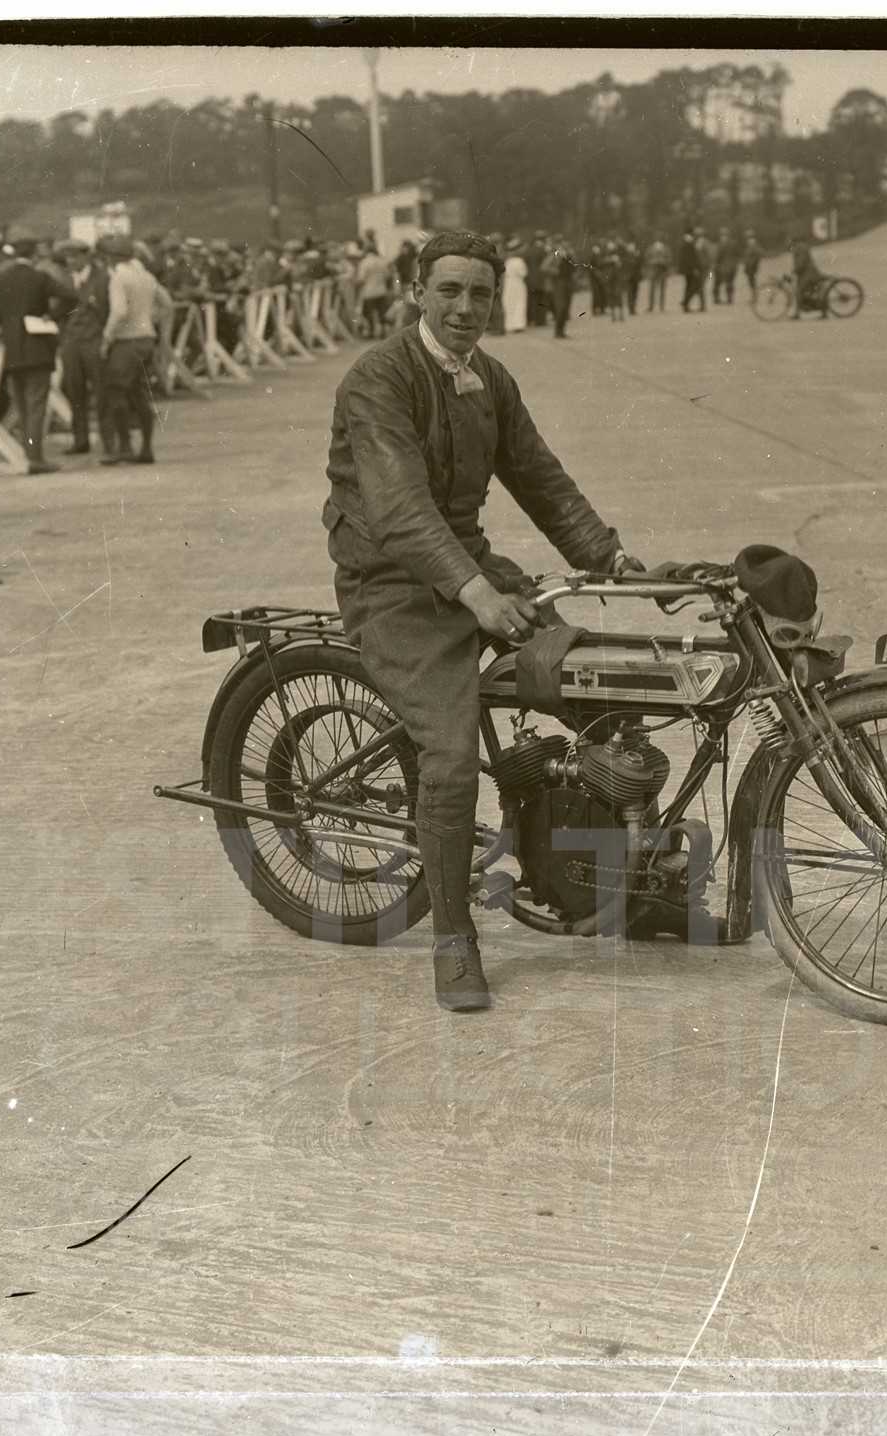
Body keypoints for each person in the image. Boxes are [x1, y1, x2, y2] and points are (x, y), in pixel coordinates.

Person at [319, 229, 644, 1012]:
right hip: (391, 581)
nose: (466, 308)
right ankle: (453, 937)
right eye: (450, 291)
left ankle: (606, 870)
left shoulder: (487, 378)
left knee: (590, 678)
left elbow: (537, 473)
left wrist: (609, 555)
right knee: (452, 756)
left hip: (466, 567)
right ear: (417, 294)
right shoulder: (379, 379)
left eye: (481, 293)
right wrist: (476, 592)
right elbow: (396, 510)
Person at [0, 229, 75, 475]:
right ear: (34, 253)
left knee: (23, 404)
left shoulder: (2, 278)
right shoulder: (39, 277)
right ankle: (35, 457)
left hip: (12, 349)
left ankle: (29, 454)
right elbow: (71, 297)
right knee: (37, 403)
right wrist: (52, 316)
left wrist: (4, 320)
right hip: (38, 345)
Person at [97, 234, 171, 465]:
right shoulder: (146, 276)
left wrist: (107, 337)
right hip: (146, 338)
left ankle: (125, 445)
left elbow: (119, 311)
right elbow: (167, 303)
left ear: (110, 257)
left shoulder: (119, 276)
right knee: (140, 393)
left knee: (115, 391)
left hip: (126, 341)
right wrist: (149, 318)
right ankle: (147, 448)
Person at [50, 239, 111, 457]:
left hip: (94, 341)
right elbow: (58, 311)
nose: (71, 260)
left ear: (86, 256)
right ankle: (80, 439)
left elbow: (107, 311)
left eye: (75, 256)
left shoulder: (102, 278)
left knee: (102, 392)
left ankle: (108, 439)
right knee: (75, 392)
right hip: (72, 344)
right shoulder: (65, 279)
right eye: (68, 256)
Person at [357, 244, 393, 337]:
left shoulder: (364, 262)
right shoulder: (382, 262)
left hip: (369, 292)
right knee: (382, 312)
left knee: (368, 314)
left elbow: (361, 278)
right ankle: (383, 332)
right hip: (381, 291)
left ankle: (371, 332)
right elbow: (387, 275)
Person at [500, 242, 528, 333]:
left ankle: (509, 325)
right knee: (519, 303)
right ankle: (518, 324)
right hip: (518, 283)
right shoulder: (519, 261)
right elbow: (523, 273)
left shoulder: (508, 261)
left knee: (509, 303)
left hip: (509, 284)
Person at [643, 236, 670, 311]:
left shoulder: (663, 248)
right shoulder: (652, 248)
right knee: (654, 288)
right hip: (655, 269)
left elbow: (669, 258)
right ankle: (654, 306)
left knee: (660, 288)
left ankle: (660, 306)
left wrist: (663, 262)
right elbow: (646, 257)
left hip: (661, 269)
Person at [713, 228, 739, 305]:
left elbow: (718, 256)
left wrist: (715, 264)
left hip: (722, 268)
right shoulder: (733, 243)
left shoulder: (720, 244)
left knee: (717, 283)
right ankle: (729, 298)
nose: (723, 237)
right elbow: (738, 255)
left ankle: (717, 298)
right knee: (730, 282)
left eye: (723, 235)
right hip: (732, 267)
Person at [742, 230, 762, 303]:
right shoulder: (750, 246)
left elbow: (757, 257)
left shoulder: (754, 246)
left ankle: (754, 298)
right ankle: (754, 297)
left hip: (752, 267)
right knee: (751, 283)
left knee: (752, 283)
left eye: (749, 238)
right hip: (749, 267)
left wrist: (752, 265)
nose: (748, 240)